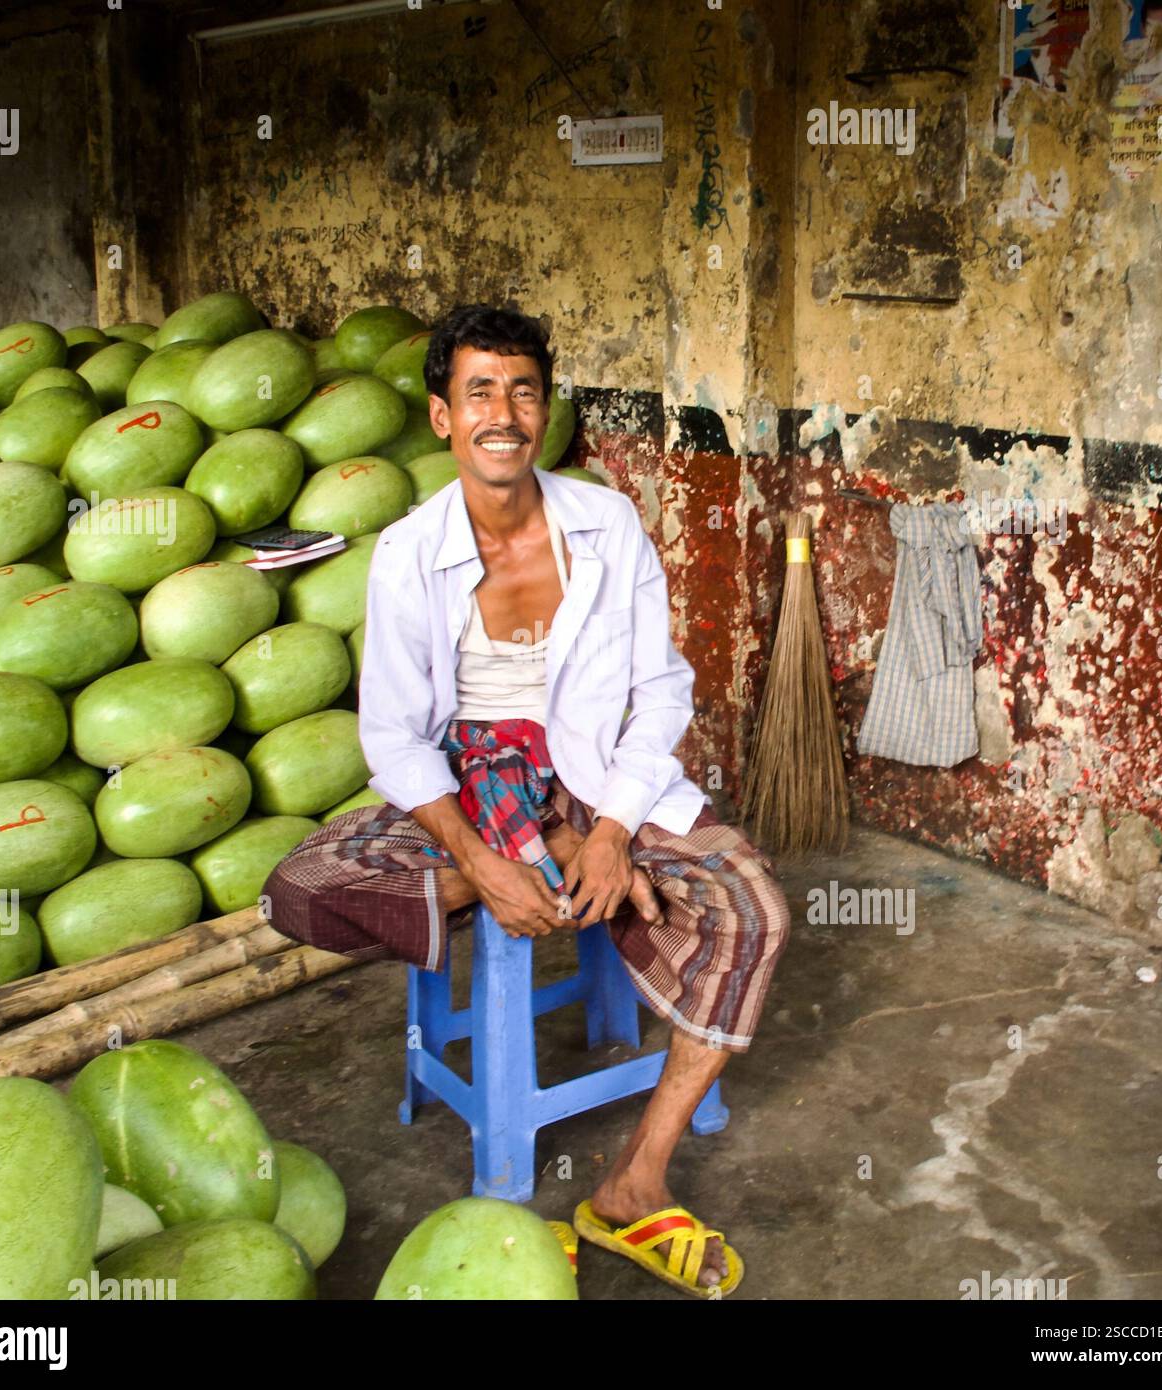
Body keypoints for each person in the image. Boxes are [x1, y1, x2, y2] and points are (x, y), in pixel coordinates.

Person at [263, 303, 790, 1297]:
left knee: (755, 911)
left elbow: (662, 688)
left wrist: (610, 832)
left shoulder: (605, 523)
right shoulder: (409, 555)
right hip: (474, 782)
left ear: (544, 410)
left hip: (600, 780)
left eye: (521, 391)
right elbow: (390, 737)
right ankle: (537, 867)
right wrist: (482, 858)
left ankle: (633, 1184)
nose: (502, 413)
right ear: (440, 417)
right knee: (302, 885)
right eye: (478, 392)